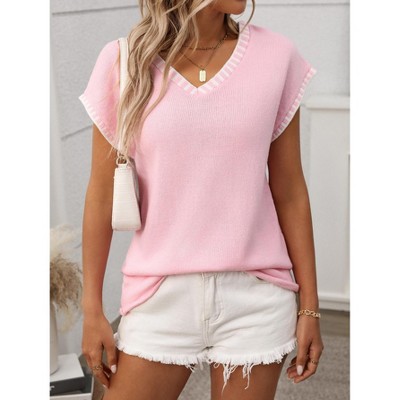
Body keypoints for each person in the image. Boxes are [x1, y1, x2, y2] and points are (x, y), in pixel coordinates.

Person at [79, 1, 324, 399]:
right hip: (158, 294)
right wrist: (92, 309)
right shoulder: (124, 61)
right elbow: (101, 193)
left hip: (256, 297)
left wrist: (309, 306)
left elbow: (291, 190)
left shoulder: (277, 56)